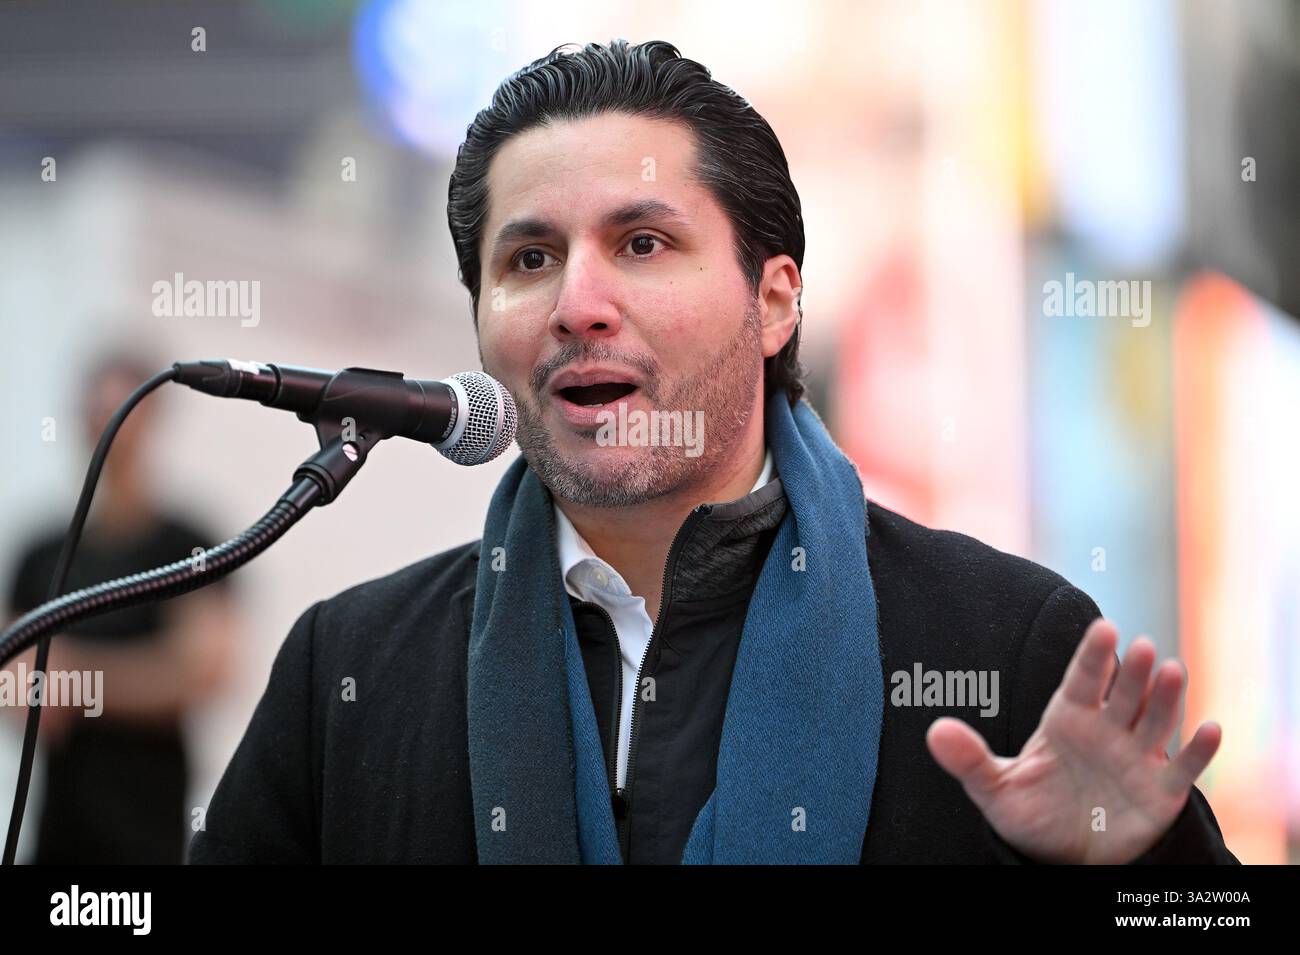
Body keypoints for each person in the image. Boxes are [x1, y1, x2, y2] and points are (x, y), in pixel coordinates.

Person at [188, 40, 1236, 864]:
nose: (576, 305)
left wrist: (1134, 876)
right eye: (529, 258)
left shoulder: (1006, 643)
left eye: (642, 244)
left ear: (774, 299)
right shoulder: (352, 670)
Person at [5, 352, 237, 864]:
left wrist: (70, 676)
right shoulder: (42, 553)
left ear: (153, 423)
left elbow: (201, 673)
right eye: (100, 416)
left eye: (125, 419)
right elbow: (12, 682)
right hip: (56, 833)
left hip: (148, 837)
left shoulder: (188, 544)